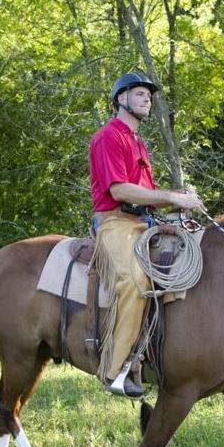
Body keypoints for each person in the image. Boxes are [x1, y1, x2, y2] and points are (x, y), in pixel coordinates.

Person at [89, 72, 204, 398]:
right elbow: (120, 190)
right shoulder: (108, 137)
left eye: (149, 96)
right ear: (121, 99)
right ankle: (116, 370)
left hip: (142, 223)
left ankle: (158, 354)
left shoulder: (137, 141)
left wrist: (176, 198)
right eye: (139, 94)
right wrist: (171, 197)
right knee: (135, 281)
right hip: (114, 223)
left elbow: (146, 194)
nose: (146, 99)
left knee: (181, 265)